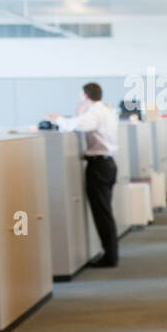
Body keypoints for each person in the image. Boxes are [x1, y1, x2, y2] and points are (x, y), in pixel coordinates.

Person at [51, 82, 120, 268]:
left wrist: (58, 119)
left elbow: (78, 125)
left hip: (99, 167)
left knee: (102, 213)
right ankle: (111, 253)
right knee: (105, 211)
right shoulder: (106, 111)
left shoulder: (95, 112)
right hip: (107, 163)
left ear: (85, 97)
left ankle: (110, 256)